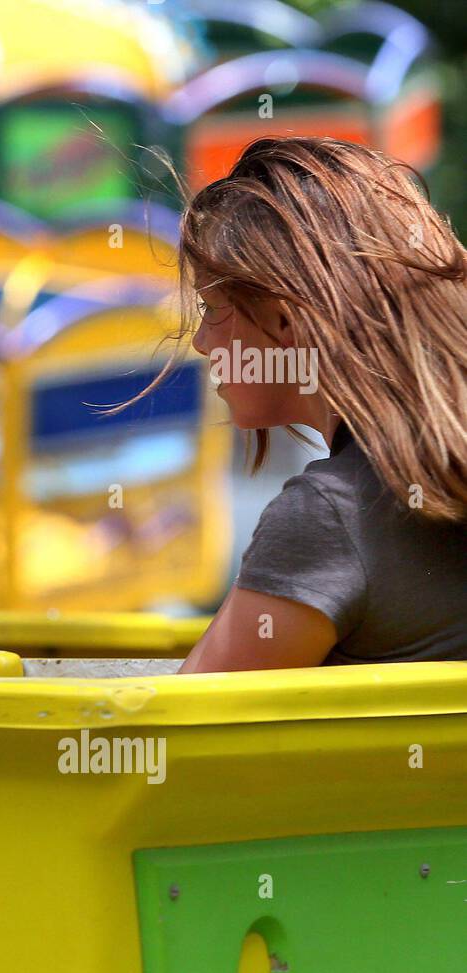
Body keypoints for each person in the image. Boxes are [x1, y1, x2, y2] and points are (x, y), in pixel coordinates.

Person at [139, 136, 467, 671]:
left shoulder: (330, 518)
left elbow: (184, 742)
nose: (201, 341)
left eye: (211, 307)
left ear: (286, 317)